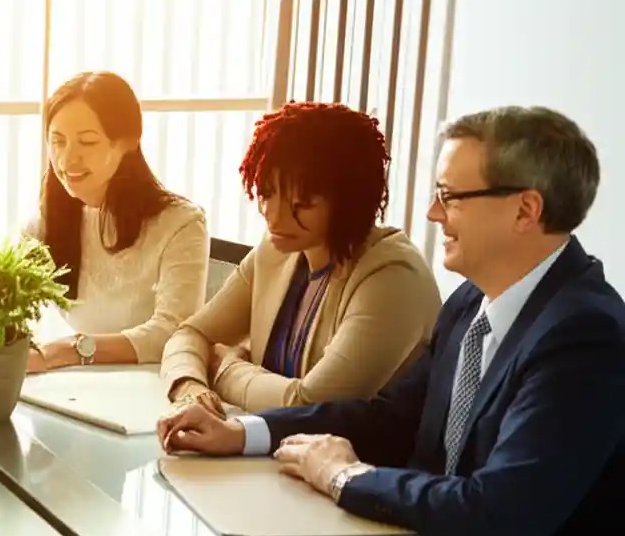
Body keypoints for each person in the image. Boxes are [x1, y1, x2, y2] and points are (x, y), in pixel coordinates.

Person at [160, 106, 625, 536]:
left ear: (525, 211)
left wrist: (345, 477)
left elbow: (501, 515)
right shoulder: (472, 301)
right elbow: (395, 417)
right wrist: (245, 433)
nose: (433, 213)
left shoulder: (583, 333)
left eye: (450, 197)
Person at [159, 102, 440, 417]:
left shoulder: (393, 278)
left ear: (349, 198)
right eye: (266, 194)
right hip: (265, 451)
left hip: (352, 461)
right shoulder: (276, 251)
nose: (275, 218)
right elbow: (190, 334)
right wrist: (190, 386)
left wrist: (224, 368)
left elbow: (312, 406)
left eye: (301, 203)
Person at [24, 71, 209, 373]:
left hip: (149, 390)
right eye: (57, 141)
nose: (67, 159)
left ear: (128, 142)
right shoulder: (43, 225)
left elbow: (171, 333)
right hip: (70, 386)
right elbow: (2, 303)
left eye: (87, 142)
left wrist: (67, 349)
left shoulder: (181, 223)